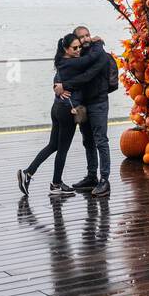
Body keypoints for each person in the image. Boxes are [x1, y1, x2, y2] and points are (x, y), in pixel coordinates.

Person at [17, 32, 104, 197]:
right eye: (75, 48)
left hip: (58, 108)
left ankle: (28, 173)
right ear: (66, 48)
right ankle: (55, 185)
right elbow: (90, 60)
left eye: (79, 47)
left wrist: (58, 87)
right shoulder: (73, 63)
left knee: (53, 145)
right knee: (62, 149)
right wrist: (98, 43)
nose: (78, 50)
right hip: (66, 111)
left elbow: (58, 79)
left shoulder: (61, 61)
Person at [58, 25, 115, 197]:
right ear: (76, 41)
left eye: (88, 35)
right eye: (81, 37)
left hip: (98, 102)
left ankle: (104, 180)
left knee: (101, 140)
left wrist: (65, 86)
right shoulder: (79, 56)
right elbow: (63, 69)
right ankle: (92, 176)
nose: (86, 39)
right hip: (83, 104)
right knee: (87, 141)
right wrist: (57, 85)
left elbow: (88, 75)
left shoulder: (99, 55)